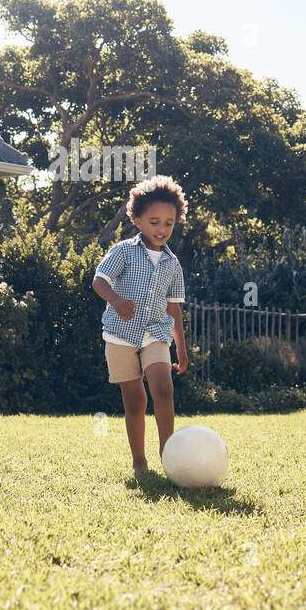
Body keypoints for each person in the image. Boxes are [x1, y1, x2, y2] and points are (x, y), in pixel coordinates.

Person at [92, 176, 189, 477]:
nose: (162, 230)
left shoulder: (173, 264)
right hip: (120, 335)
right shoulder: (123, 251)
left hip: (156, 333)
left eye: (169, 223)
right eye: (155, 222)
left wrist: (182, 350)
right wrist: (117, 300)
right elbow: (99, 281)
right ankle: (139, 462)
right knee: (135, 400)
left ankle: (168, 454)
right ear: (137, 220)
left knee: (163, 387)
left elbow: (173, 308)